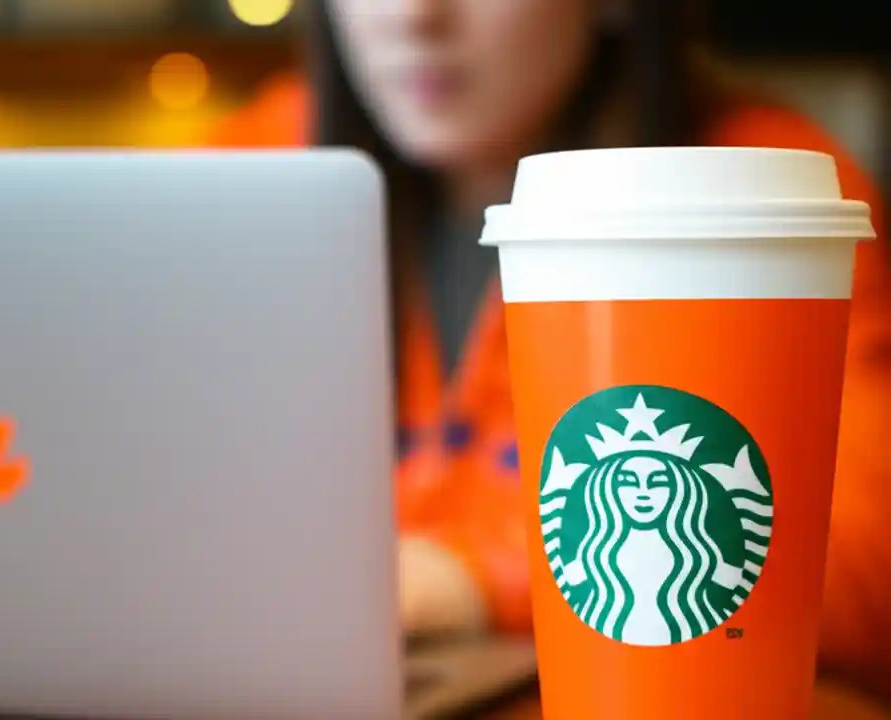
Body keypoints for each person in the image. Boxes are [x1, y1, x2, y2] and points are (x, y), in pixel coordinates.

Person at [297, 0, 891, 701]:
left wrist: (469, 578)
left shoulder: (764, 189)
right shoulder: (262, 167)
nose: (412, 17)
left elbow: (864, 544)